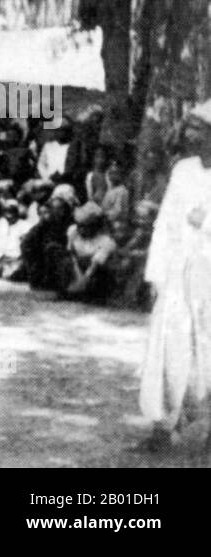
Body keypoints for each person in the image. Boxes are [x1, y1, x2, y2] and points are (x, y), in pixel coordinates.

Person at [136, 102, 211, 452]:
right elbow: (164, 223)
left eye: (197, 127)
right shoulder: (183, 170)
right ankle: (162, 428)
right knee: (168, 347)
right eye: (190, 126)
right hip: (178, 274)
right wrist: (155, 274)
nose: (188, 133)